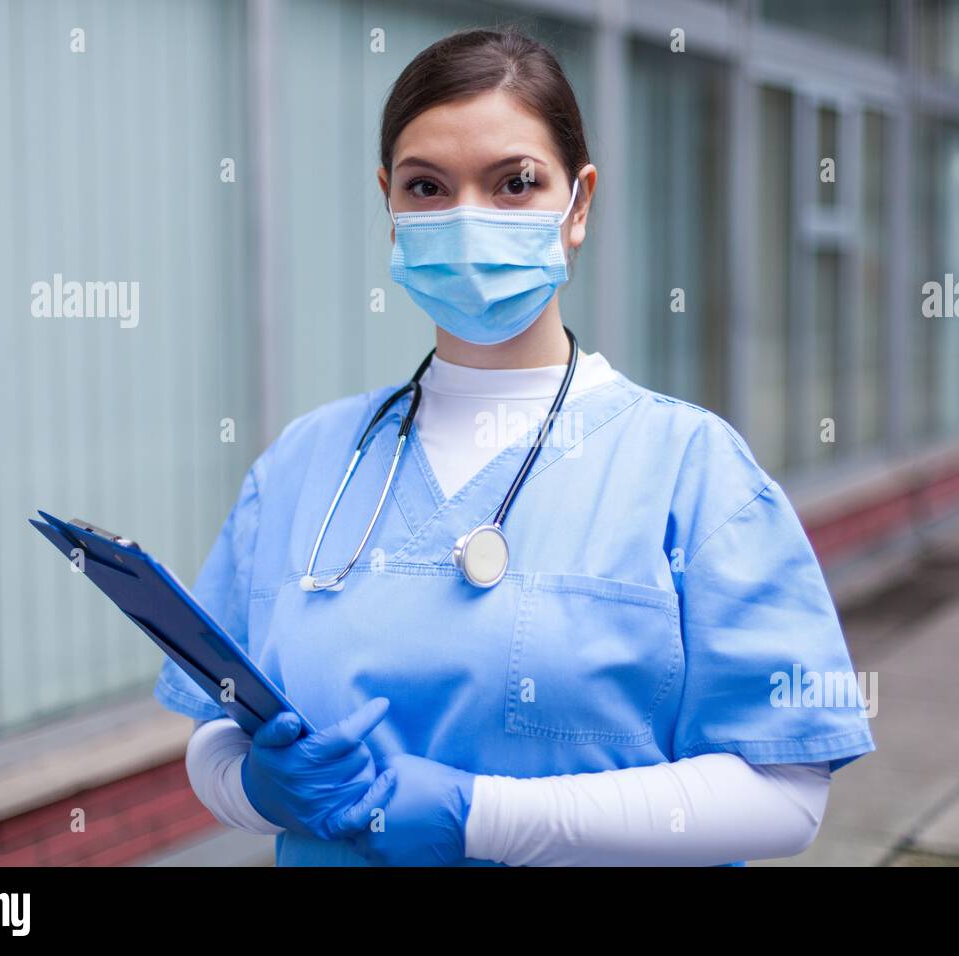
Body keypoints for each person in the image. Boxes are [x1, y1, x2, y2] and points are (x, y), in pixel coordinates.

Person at [153, 27, 874, 867]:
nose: (467, 220)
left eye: (515, 184)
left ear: (580, 205)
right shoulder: (301, 466)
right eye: (427, 186)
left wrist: (480, 815)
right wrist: (255, 791)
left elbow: (786, 796)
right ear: (389, 204)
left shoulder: (691, 469)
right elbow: (214, 733)